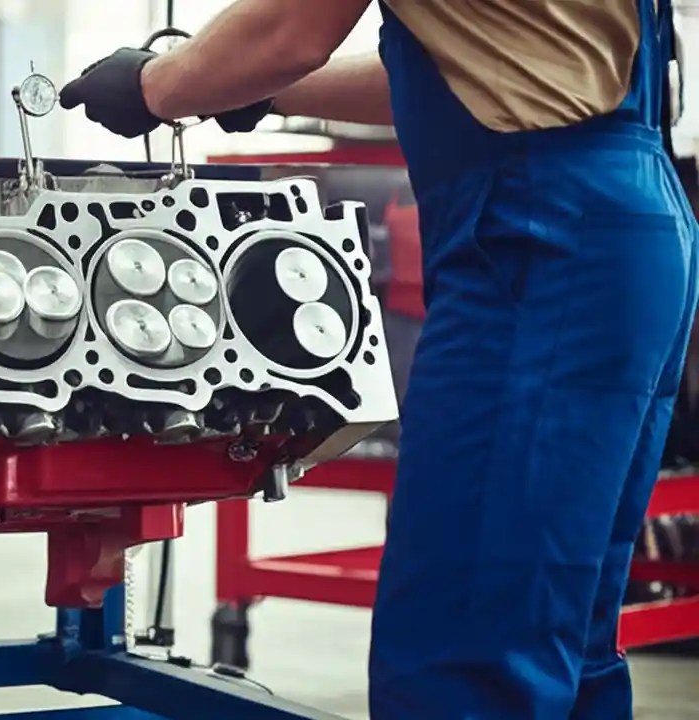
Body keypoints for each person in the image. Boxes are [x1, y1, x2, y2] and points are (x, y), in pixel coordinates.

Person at [60, 1, 699, 717]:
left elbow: (288, 31)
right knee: (558, 629)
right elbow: (480, 72)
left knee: (465, 648)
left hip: (539, 238)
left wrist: (154, 84)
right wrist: (266, 91)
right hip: (627, 223)